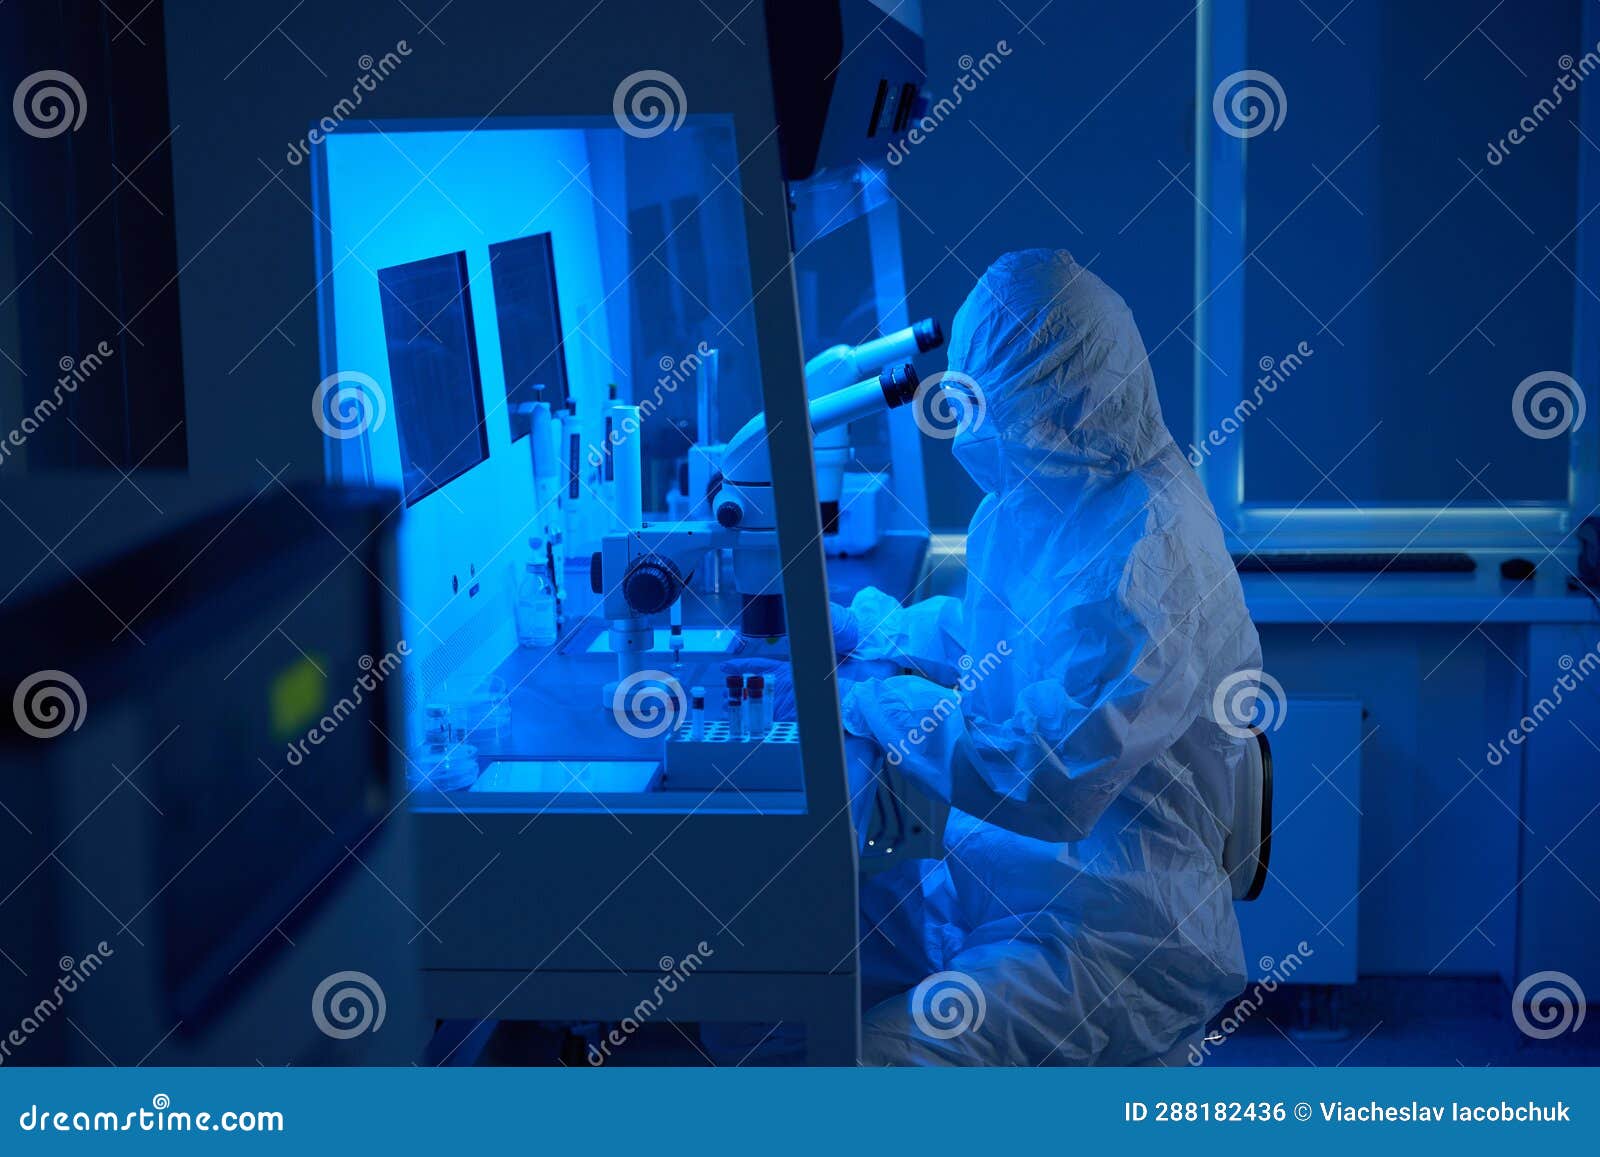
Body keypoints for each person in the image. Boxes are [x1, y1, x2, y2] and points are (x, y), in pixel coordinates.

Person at [835, 248, 1262, 1065]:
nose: (990, 426)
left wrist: (872, 704)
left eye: (1009, 405)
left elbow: (1047, 781)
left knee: (874, 1065)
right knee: (803, 955)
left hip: (1112, 930)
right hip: (1018, 875)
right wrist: (876, 634)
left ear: (1071, 394)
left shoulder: (1152, 551)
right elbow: (1002, 642)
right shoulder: (1048, 497)